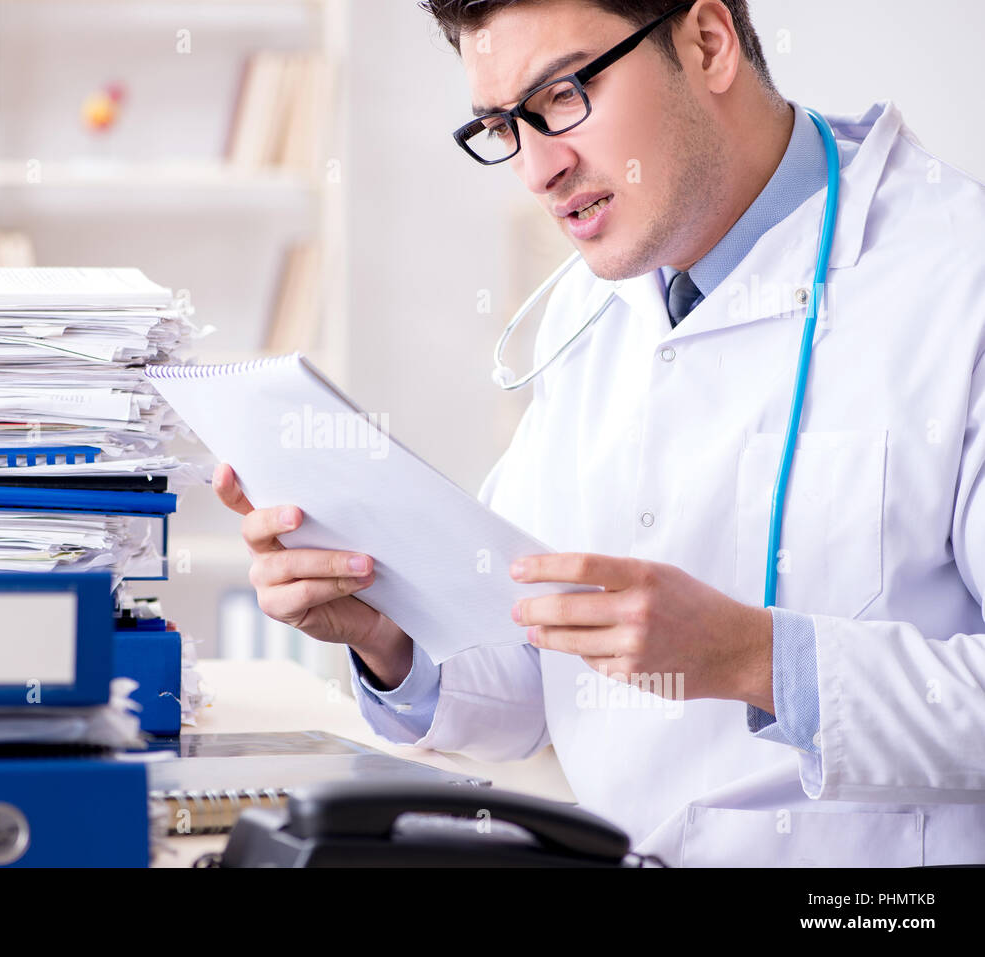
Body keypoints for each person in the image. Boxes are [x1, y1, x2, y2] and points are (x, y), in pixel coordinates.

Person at [214, 0, 985, 866]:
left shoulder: (958, 281)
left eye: (564, 93)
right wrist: (383, 633)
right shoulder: (589, 301)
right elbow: (530, 679)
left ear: (707, 43)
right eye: (503, 125)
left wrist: (760, 658)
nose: (539, 168)